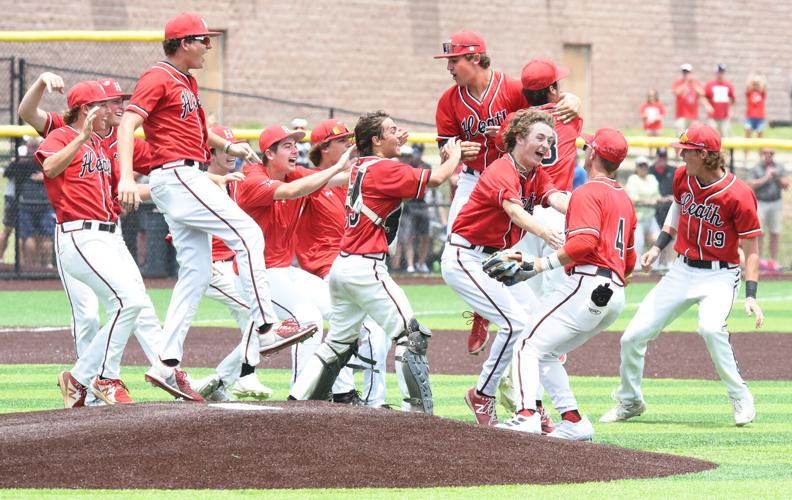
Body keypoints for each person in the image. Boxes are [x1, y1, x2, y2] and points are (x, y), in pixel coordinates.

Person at [116, 13, 317, 387]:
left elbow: (198, 129)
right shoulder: (158, 75)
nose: (209, 47)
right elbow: (128, 122)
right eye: (202, 40)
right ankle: (266, 327)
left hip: (184, 174)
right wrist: (127, 176)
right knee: (248, 234)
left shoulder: (187, 81)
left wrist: (227, 144)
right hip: (177, 174)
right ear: (183, 43)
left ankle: (165, 363)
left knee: (195, 272)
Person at [19, 74, 197, 404]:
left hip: (109, 233)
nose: (121, 106)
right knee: (96, 312)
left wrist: (203, 181)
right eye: (112, 102)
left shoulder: (109, 142)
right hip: (77, 233)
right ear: (88, 108)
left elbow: (130, 186)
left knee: (136, 304)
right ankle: (100, 380)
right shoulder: (63, 131)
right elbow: (45, 154)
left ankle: (112, 376)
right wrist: (44, 85)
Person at [289, 111, 462, 414]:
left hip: (344, 267)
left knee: (338, 345)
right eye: (392, 130)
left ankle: (299, 404)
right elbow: (435, 178)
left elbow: (384, 164)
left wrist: (390, 146)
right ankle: (419, 415)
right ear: (376, 140)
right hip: (365, 267)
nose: (400, 134)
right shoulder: (382, 169)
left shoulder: (363, 165)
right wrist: (454, 156)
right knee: (412, 336)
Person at [601, 123, 764, 427]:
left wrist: (752, 296)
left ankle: (740, 395)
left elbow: (751, 249)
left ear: (705, 155)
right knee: (632, 337)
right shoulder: (682, 177)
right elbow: (678, 208)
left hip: (719, 275)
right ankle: (630, 401)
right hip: (682, 270)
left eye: (687, 151)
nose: (681, 156)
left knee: (711, 329)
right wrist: (659, 245)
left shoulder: (739, 194)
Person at [492, 127, 634, 442]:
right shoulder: (624, 198)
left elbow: (584, 242)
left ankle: (526, 414)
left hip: (587, 281)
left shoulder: (587, 192)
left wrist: (540, 264)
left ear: (594, 154)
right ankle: (573, 420)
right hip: (615, 292)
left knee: (526, 344)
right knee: (545, 352)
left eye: (588, 148)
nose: (585, 152)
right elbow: (631, 260)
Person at [440, 109, 568, 426]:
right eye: (540, 138)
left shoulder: (534, 173)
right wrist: (547, 233)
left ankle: (532, 403)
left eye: (550, 140)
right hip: (464, 257)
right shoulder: (501, 169)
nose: (547, 146)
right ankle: (482, 394)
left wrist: (593, 207)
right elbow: (514, 211)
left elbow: (555, 199)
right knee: (515, 324)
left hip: (493, 259)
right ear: (518, 138)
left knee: (535, 326)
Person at [235, 124, 357, 399]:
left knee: (342, 311)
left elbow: (336, 180)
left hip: (282, 271)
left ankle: (342, 392)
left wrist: (370, 163)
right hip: (255, 274)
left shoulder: (294, 174)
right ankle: (300, 399)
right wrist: (336, 166)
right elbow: (294, 191)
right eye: (288, 146)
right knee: (308, 319)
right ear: (269, 153)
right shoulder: (252, 179)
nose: (296, 150)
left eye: (296, 144)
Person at [296, 118, 390, 407]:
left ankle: (371, 401)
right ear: (324, 148)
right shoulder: (308, 180)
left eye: (350, 139)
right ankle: (345, 394)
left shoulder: (351, 182)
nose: (349, 144)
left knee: (375, 331)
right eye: (341, 141)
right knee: (357, 330)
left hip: (350, 265)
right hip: (322, 270)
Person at [187, 125, 274, 401]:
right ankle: (243, 376)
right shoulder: (195, 183)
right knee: (256, 314)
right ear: (210, 151)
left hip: (232, 264)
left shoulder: (236, 182)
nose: (232, 151)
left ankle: (222, 381)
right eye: (226, 146)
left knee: (253, 317)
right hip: (209, 264)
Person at [748, 148, 788, 271]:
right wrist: (766, 177)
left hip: (776, 202)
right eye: (766, 153)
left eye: (771, 153)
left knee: (775, 232)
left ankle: (773, 261)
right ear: (762, 154)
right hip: (761, 203)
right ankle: (759, 261)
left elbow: (786, 185)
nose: (768, 156)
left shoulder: (779, 167)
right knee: (760, 233)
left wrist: (776, 177)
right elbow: (750, 184)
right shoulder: (756, 168)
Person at [625, 156, 661, 260]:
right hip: (638, 219)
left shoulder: (652, 178)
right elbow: (632, 197)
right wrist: (648, 201)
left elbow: (657, 195)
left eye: (645, 165)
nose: (643, 167)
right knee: (638, 244)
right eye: (640, 165)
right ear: (636, 167)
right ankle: (635, 270)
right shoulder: (633, 179)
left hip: (650, 217)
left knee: (658, 241)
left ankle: (655, 269)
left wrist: (659, 199)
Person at [649, 147, 676, 271]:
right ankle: (659, 263)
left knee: (669, 237)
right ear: (656, 157)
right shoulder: (650, 171)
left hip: (669, 208)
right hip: (653, 210)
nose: (662, 159)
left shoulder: (673, 171)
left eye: (664, 157)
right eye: (660, 157)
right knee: (658, 237)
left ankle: (669, 263)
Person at [672, 63, 705, 135]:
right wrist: (686, 82)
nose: (685, 74)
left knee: (693, 137)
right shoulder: (678, 82)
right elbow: (677, 92)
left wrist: (692, 83)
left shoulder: (695, 83)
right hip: (681, 115)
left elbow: (702, 93)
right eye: (684, 72)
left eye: (687, 72)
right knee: (680, 136)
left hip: (693, 116)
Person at [704, 64, 735, 138]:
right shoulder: (710, 85)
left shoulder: (728, 85)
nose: (720, 74)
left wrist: (731, 109)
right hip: (713, 116)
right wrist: (707, 105)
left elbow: (732, 99)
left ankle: (725, 150)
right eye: (719, 72)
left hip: (724, 116)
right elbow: (704, 97)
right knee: (712, 135)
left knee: (725, 135)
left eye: (722, 72)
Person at [744, 74, 767, 165]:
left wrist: (760, 78)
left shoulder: (762, 93)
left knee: (760, 139)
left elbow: (764, 84)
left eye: (757, 84)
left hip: (760, 119)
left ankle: (760, 158)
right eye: (754, 84)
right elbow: (747, 84)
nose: (756, 85)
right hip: (750, 118)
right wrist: (752, 77)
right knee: (747, 138)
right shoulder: (749, 93)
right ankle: (746, 157)